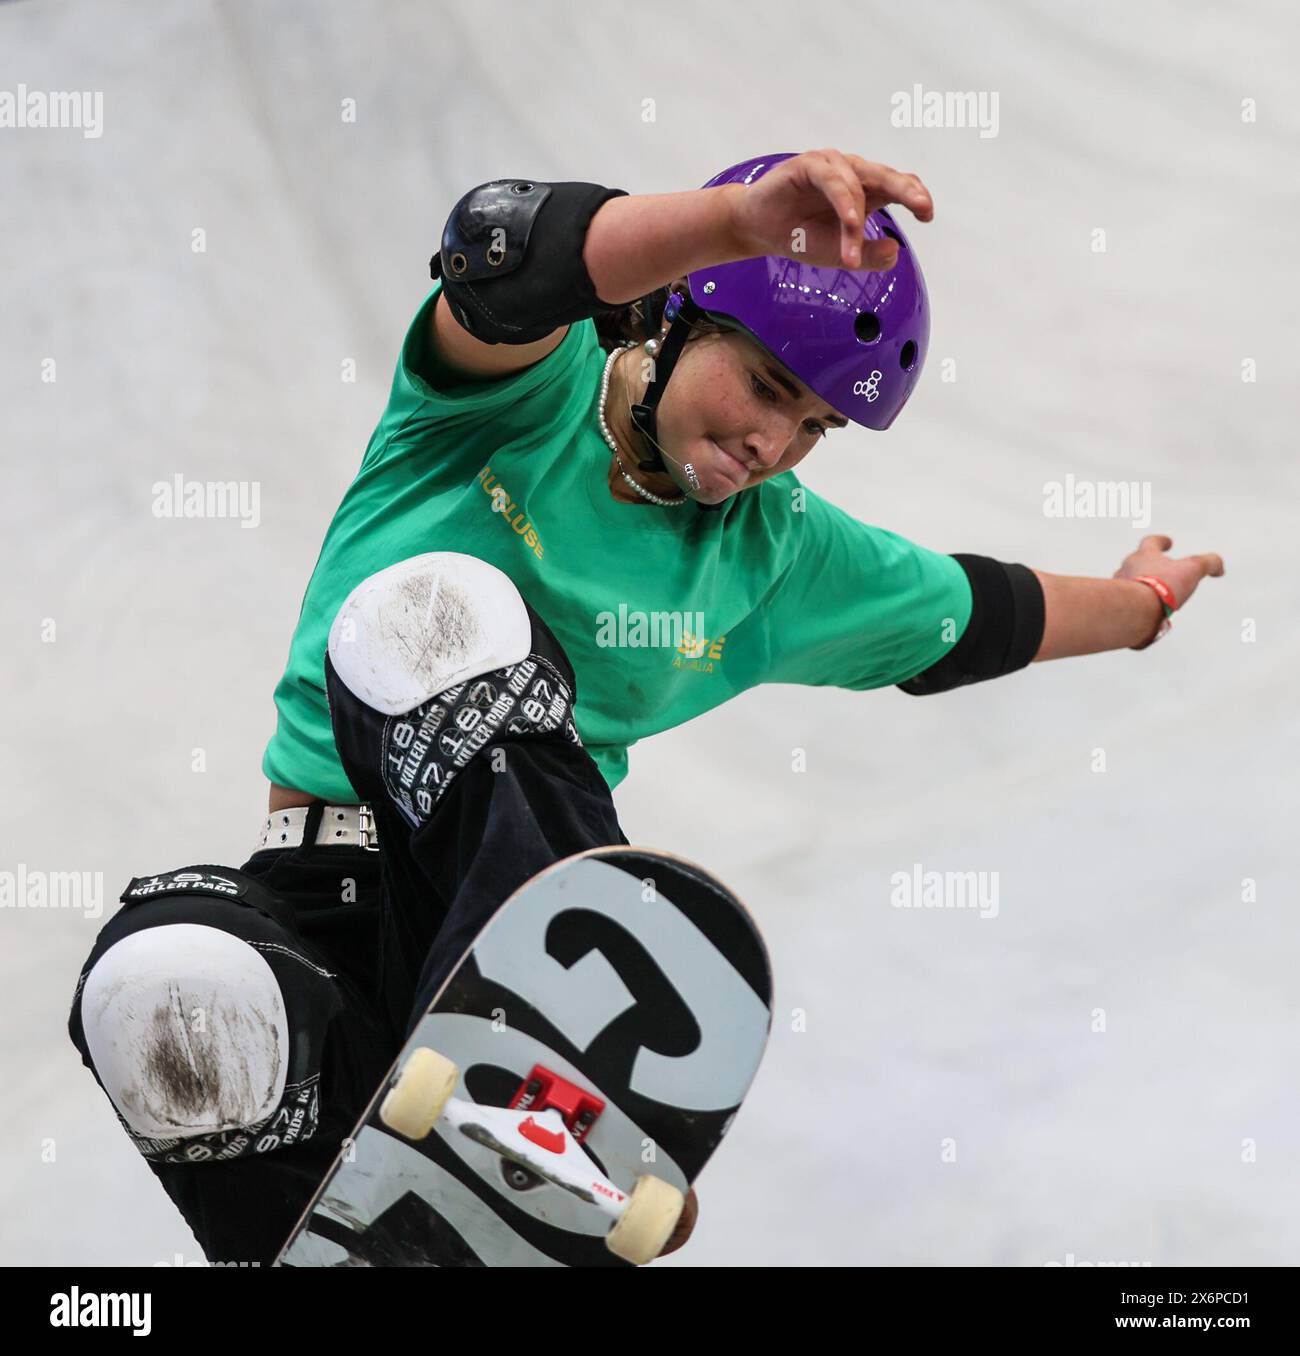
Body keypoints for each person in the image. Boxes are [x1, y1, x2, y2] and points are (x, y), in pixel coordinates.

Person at [66, 149, 1224, 1266]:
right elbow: (501, 251)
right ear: (673, 316)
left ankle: (548, 1084)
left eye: (813, 427)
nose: (774, 442)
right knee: (165, 977)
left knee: (453, 623)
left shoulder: (774, 555)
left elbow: (980, 615)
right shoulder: (519, 397)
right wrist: (732, 225)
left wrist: (1136, 605)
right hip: (311, 903)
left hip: (493, 915)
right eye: (766, 385)